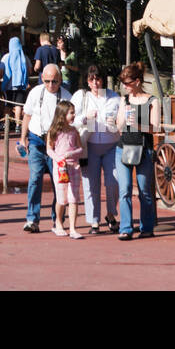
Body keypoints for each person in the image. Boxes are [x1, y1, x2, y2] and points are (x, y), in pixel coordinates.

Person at [20, 63, 72, 233]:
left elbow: (72, 121)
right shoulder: (36, 93)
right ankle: (32, 219)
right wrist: (23, 139)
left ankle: (57, 219)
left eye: (55, 82)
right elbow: (27, 115)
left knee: (59, 182)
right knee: (35, 179)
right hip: (37, 140)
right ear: (42, 79)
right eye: (48, 81)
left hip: (57, 145)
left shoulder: (66, 96)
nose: (51, 85)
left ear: (60, 80)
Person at [71, 63, 120, 233]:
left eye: (98, 79)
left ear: (103, 80)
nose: (95, 83)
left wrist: (116, 123)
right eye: (91, 79)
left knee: (114, 182)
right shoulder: (81, 97)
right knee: (91, 185)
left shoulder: (114, 97)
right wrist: (85, 117)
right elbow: (69, 119)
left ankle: (111, 215)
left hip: (111, 144)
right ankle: (94, 221)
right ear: (87, 81)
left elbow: (123, 119)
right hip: (89, 145)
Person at [114, 63, 160, 240]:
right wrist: (123, 118)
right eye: (123, 83)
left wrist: (137, 124)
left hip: (144, 149)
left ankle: (147, 227)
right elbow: (118, 127)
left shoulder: (152, 100)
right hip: (123, 148)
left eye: (127, 83)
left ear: (137, 81)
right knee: (124, 189)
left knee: (144, 191)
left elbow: (155, 127)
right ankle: (125, 228)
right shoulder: (123, 100)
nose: (124, 87)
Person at [48, 100, 85, 238]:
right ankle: (58, 222)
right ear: (62, 114)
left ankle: (73, 228)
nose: (74, 115)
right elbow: (49, 149)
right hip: (60, 168)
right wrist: (58, 159)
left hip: (73, 167)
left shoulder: (74, 131)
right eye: (71, 113)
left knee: (74, 197)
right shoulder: (54, 131)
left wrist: (72, 154)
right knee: (62, 198)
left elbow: (80, 148)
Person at [0, 36, 30, 125]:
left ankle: (6, 124)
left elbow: (0, 72)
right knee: (18, 105)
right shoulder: (24, 57)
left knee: (8, 105)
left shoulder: (6, 57)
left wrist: (0, 75)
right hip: (21, 85)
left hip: (9, 85)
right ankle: (17, 124)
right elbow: (30, 70)